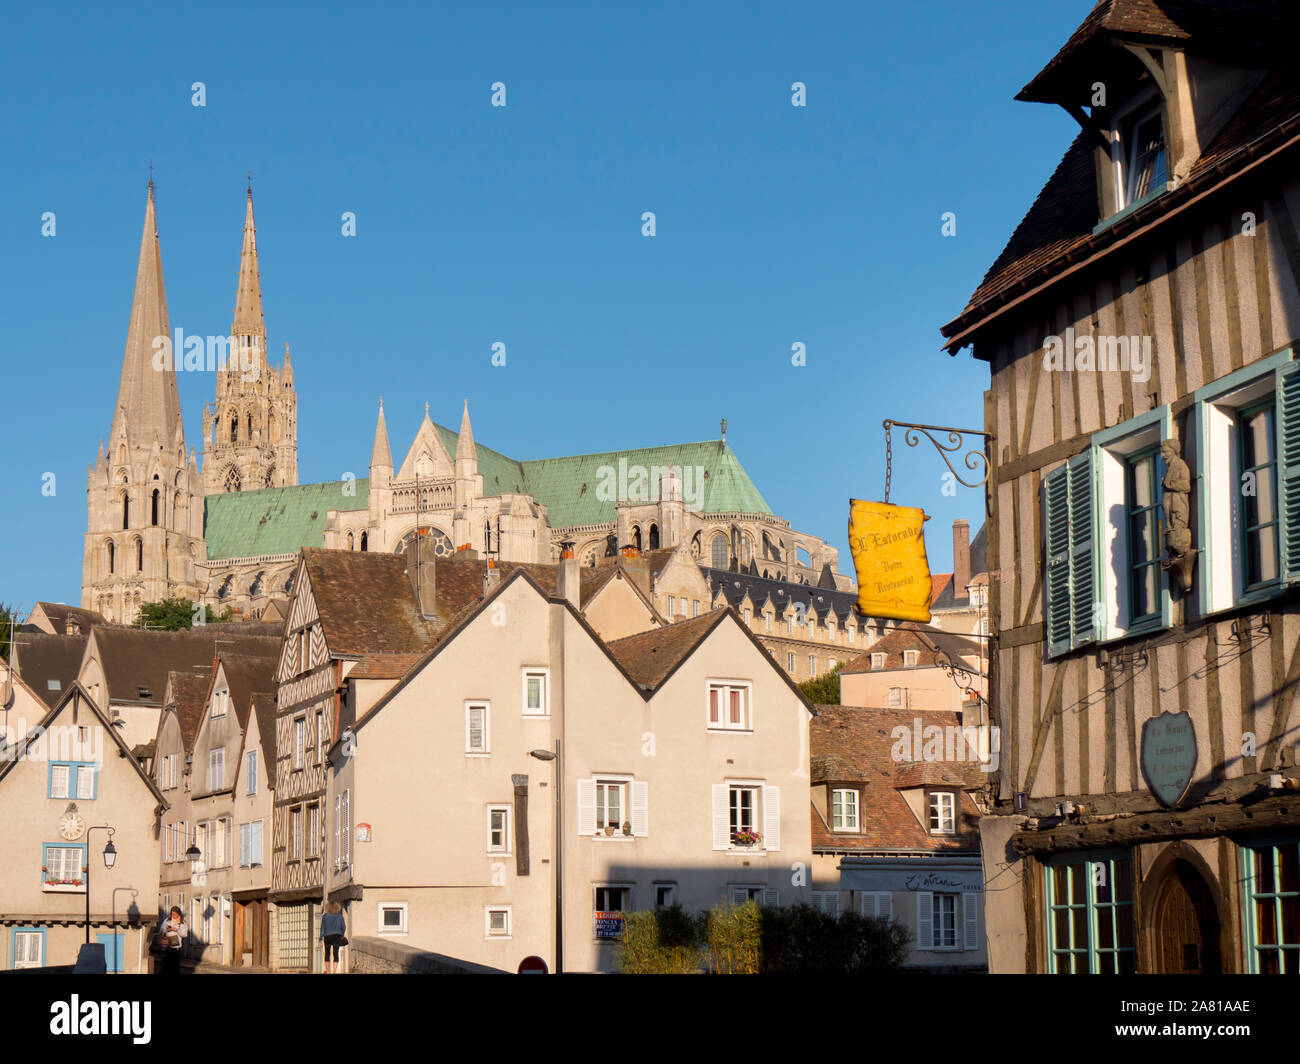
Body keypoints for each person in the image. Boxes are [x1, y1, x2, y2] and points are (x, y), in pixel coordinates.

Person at [320, 901, 347, 974]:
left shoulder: (325, 916)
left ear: (327, 908)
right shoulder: (340, 916)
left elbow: (322, 929)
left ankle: (328, 972)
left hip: (327, 936)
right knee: (335, 953)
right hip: (337, 936)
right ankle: (334, 971)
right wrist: (342, 935)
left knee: (327, 953)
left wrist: (320, 939)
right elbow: (344, 927)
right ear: (337, 907)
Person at [159, 905, 187, 975]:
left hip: (176, 948)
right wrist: (166, 929)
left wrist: (176, 929)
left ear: (179, 914)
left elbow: (184, 934)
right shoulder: (167, 921)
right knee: (165, 967)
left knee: (175, 968)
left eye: (175, 914)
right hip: (166, 947)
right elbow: (161, 931)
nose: (173, 915)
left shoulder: (183, 923)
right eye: (172, 914)